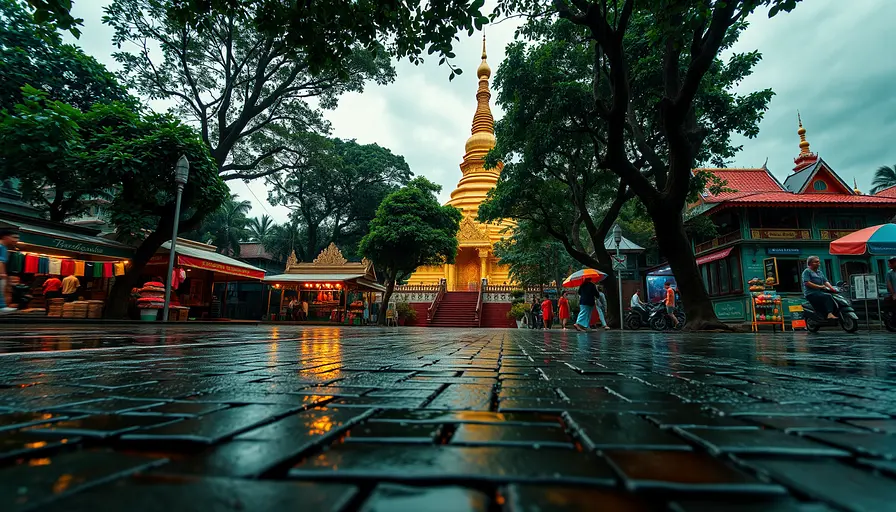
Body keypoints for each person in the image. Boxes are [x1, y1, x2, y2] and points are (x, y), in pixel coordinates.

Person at [802, 255, 838, 320]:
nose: (818, 263)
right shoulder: (807, 271)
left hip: (820, 292)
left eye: (818, 262)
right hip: (811, 293)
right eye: (816, 262)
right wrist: (820, 286)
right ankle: (829, 314)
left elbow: (825, 281)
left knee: (833, 297)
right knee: (828, 296)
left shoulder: (819, 272)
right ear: (810, 263)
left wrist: (832, 288)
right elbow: (807, 283)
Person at [0, 229, 19, 314]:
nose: (16, 240)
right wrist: (2, 274)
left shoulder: (3, 247)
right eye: (14, 237)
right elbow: (0, 262)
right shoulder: (1, 247)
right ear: (5, 237)